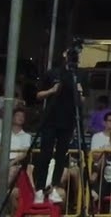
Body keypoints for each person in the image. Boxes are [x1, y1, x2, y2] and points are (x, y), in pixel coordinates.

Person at [33, 49, 83, 204]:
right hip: (50, 119)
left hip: (67, 121)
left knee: (61, 157)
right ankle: (39, 189)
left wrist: (80, 94)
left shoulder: (77, 75)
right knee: (45, 155)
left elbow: (83, 100)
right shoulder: (52, 73)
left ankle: (54, 186)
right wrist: (51, 91)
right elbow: (38, 95)